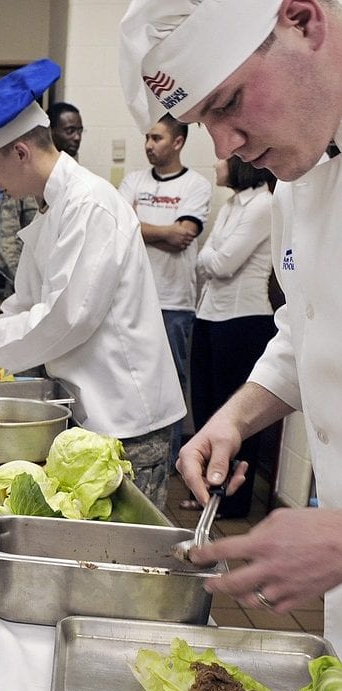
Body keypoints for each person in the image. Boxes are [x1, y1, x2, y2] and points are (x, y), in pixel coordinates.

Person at [119, 0, 342, 649]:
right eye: (201, 122)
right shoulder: (297, 178)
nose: (224, 146)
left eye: (230, 101)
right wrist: (233, 419)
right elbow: (303, 331)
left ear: (303, 22)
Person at [0, 59, 186, 510]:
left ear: (21, 152)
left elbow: (65, 317)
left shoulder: (89, 204)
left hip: (127, 417)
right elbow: (26, 303)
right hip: (93, 413)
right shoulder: (51, 206)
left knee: (126, 545)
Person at [184, 156, 277, 519]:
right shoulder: (231, 204)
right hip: (210, 313)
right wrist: (211, 257)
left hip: (244, 320)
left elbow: (221, 263)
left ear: (242, 164)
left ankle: (232, 503)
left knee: (234, 415)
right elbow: (206, 257)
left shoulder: (263, 204)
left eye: (223, 159)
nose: (216, 164)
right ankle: (205, 493)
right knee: (207, 408)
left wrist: (210, 256)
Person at [118, 114, 212, 468]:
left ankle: (169, 463)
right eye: (147, 137)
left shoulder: (196, 185)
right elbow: (120, 229)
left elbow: (184, 235)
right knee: (131, 382)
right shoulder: (133, 180)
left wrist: (140, 228)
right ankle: (130, 460)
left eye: (156, 138)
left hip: (175, 302)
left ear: (178, 142)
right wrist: (164, 232)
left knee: (170, 385)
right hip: (133, 300)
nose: (148, 145)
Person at [0, 101, 84, 287]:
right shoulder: (23, 179)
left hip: (61, 290)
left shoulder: (81, 184)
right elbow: (7, 246)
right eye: (70, 131)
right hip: (25, 290)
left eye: (80, 131)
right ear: (50, 131)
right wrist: (32, 288)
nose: (77, 137)